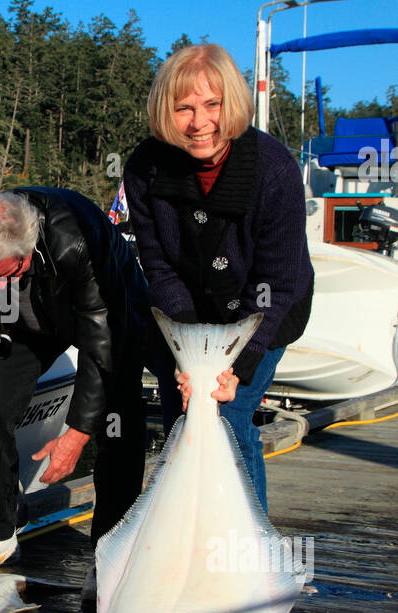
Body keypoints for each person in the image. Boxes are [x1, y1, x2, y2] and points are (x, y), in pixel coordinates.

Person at [123, 43, 314, 511]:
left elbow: (279, 280)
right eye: (183, 108)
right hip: (185, 314)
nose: (199, 122)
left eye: (213, 104)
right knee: (181, 418)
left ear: (232, 104)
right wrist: (191, 356)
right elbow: (160, 268)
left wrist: (237, 363)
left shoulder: (274, 170)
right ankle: (188, 541)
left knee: (229, 417)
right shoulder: (144, 168)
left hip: (261, 311)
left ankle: (251, 554)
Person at [0, 187, 151, 574]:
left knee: (118, 426)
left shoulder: (74, 243)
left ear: (27, 250)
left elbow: (102, 347)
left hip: (109, 312)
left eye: (2, 276)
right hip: (29, 317)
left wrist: (76, 435)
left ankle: (112, 557)